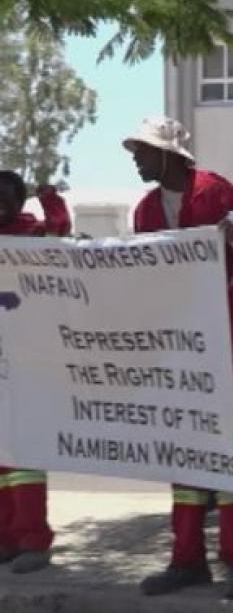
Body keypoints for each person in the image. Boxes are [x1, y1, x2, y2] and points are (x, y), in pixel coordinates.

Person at [124, 116, 233, 598]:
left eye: (142, 151)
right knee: (183, 455)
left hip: (228, 347)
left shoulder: (219, 194)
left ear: (169, 154)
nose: (136, 159)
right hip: (178, 353)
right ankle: (187, 560)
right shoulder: (144, 211)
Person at [0, 173, 70, 576]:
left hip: (26, 363)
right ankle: (7, 539)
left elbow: (61, 234)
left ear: (19, 201)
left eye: (6, 197)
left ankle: (33, 541)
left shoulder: (33, 234)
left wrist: (49, 197)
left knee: (24, 457)